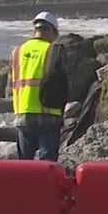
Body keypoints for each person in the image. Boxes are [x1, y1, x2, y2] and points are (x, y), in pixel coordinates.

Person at [9, 11, 72, 162]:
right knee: (47, 166)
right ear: (52, 31)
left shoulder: (17, 52)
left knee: (25, 166)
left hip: (23, 114)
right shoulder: (55, 50)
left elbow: (10, 85)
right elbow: (67, 83)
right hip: (49, 113)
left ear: (35, 30)